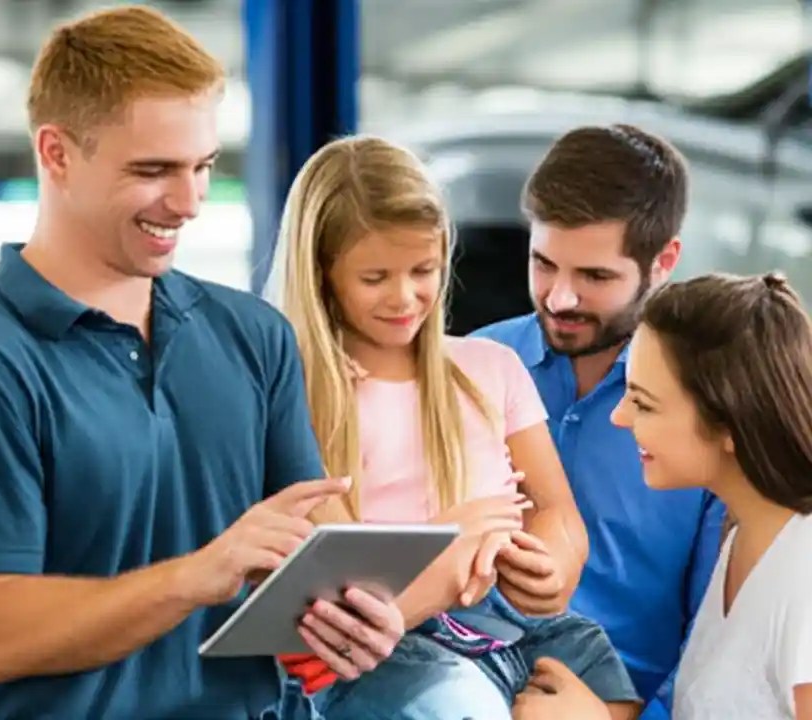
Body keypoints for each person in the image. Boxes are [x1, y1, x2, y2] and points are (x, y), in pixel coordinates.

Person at [0, 7, 406, 719]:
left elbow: (301, 559)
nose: (190, 202)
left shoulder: (255, 335)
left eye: (203, 166)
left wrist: (353, 618)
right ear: (57, 153)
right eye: (154, 170)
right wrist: (198, 575)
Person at [264, 135, 640, 719]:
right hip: (393, 642)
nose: (405, 296)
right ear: (321, 273)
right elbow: (337, 609)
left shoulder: (489, 367)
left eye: (424, 270)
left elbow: (555, 508)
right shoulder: (298, 395)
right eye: (375, 278)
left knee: (611, 694)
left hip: (520, 628)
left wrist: (550, 565)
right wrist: (448, 545)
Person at [472, 124, 728, 716]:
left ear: (663, 260)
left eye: (595, 277)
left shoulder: (711, 408)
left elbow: (721, 630)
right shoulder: (473, 367)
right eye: (543, 264)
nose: (560, 298)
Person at [511, 272, 812, 719]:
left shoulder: (802, 575)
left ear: (730, 423)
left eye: (644, 402)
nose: (618, 417)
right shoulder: (743, 537)